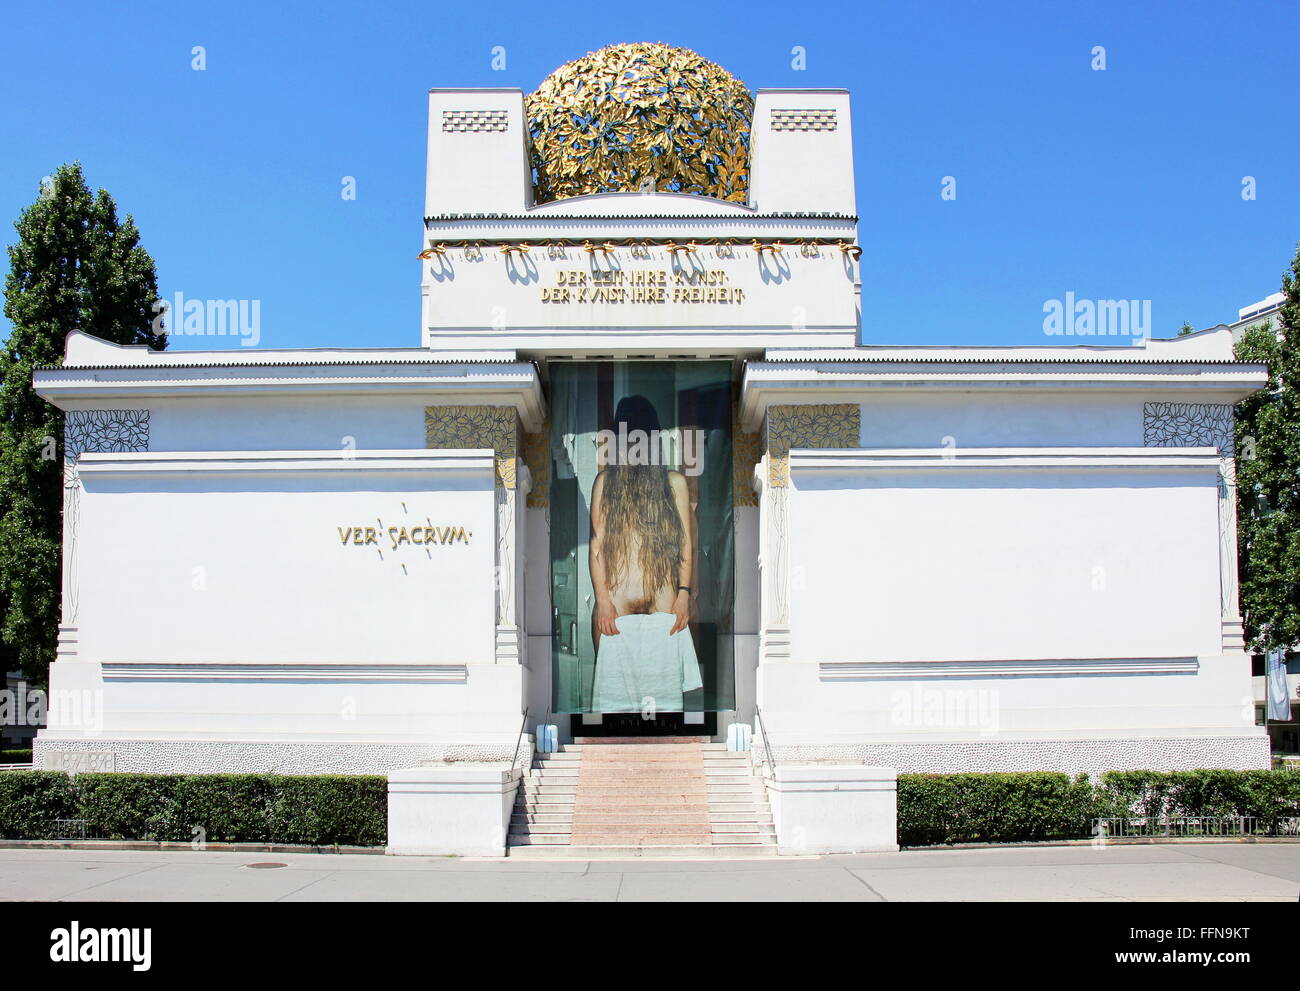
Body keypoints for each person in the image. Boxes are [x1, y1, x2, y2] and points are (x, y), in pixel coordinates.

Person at [588, 395, 702, 713]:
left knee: (664, 707)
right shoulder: (605, 483)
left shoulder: (674, 483)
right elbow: (597, 546)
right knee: (616, 707)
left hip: (664, 600)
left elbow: (684, 544)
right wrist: (603, 600)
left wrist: (683, 594)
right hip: (618, 603)